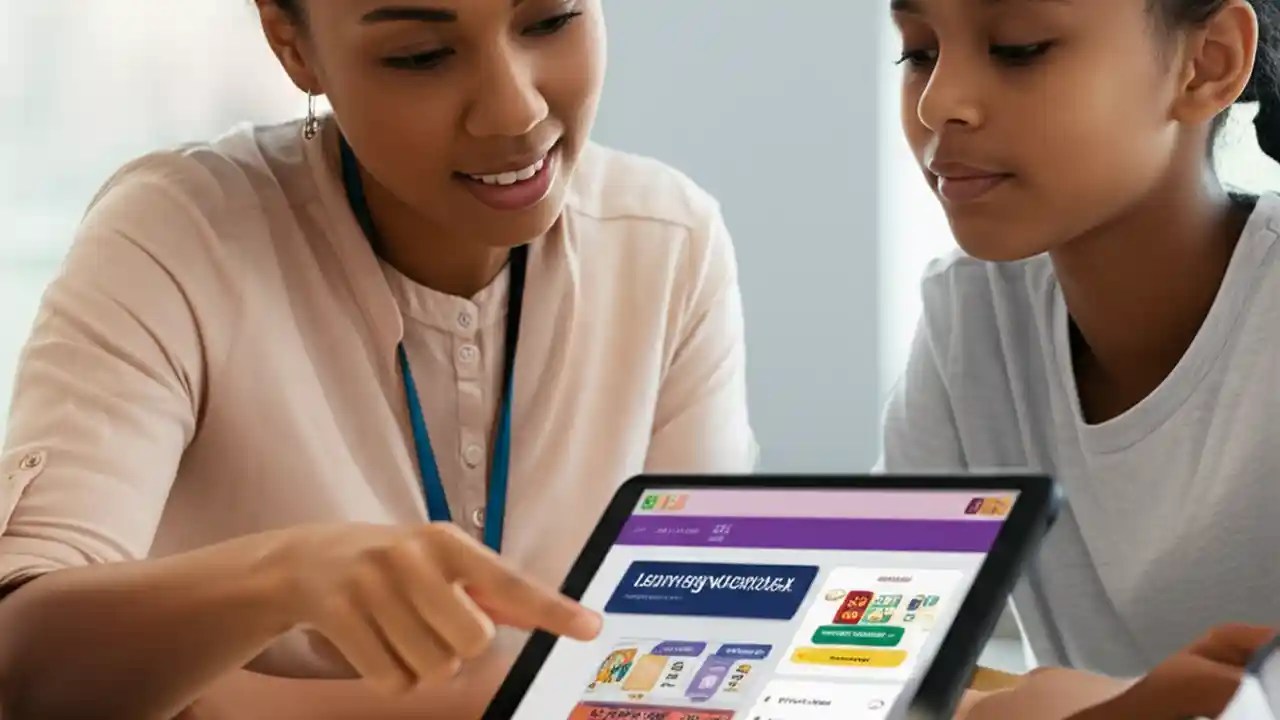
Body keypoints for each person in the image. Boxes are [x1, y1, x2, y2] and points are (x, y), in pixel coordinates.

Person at [0, 0, 757, 718]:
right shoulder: (177, 239)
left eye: (552, 18)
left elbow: (698, 672)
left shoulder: (667, 242)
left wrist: (225, 702)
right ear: (293, 46)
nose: (514, 111)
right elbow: (20, 667)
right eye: (420, 55)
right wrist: (286, 577)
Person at [882, 0, 1280, 701]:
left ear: (1206, 63)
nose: (938, 103)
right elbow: (876, 650)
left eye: (1018, 47)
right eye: (918, 51)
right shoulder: (972, 312)